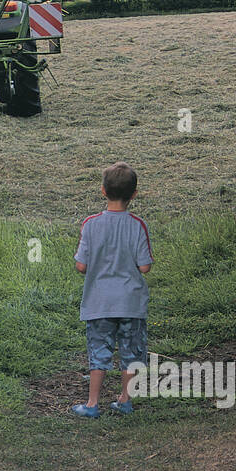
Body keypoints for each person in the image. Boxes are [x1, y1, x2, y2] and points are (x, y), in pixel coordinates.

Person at [71, 162, 153, 418]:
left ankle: (92, 404)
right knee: (130, 351)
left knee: (99, 352)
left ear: (103, 191)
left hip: (99, 302)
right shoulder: (138, 225)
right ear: (135, 194)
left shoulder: (91, 224)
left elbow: (81, 266)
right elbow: (145, 267)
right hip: (130, 302)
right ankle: (125, 400)